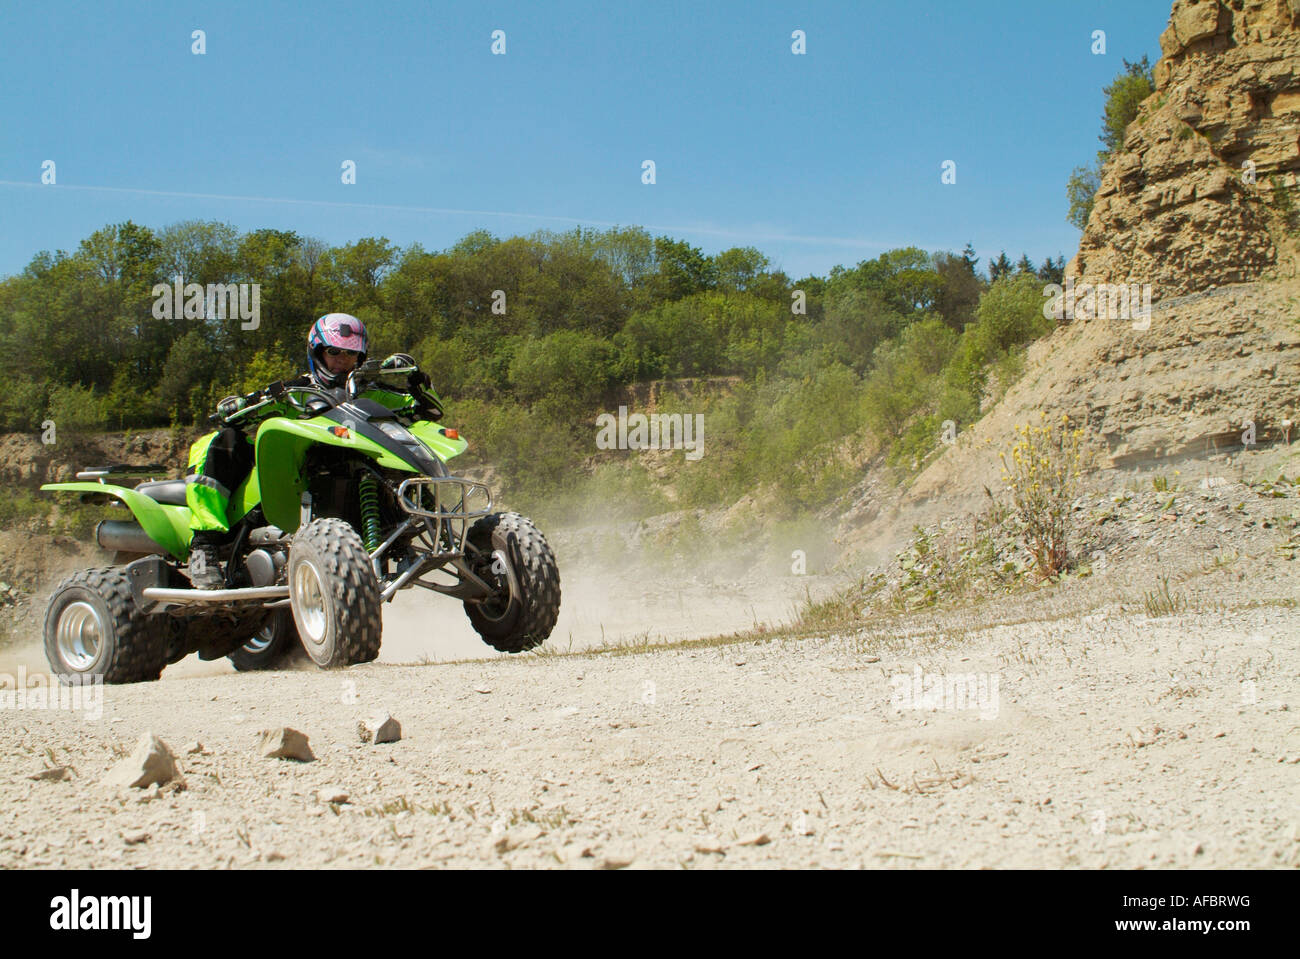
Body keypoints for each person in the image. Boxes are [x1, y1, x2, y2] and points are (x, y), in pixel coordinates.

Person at [185, 313, 372, 588]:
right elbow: (250, 408)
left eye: (351, 353)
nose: (342, 360)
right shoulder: (297, 390)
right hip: (293, 474)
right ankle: (203, 546)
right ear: (317, 352)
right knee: (222, 441)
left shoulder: (371, 392)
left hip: (356, 473)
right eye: (334, 352)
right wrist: (239, 405)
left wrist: (412, 381)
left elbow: (416, 407)